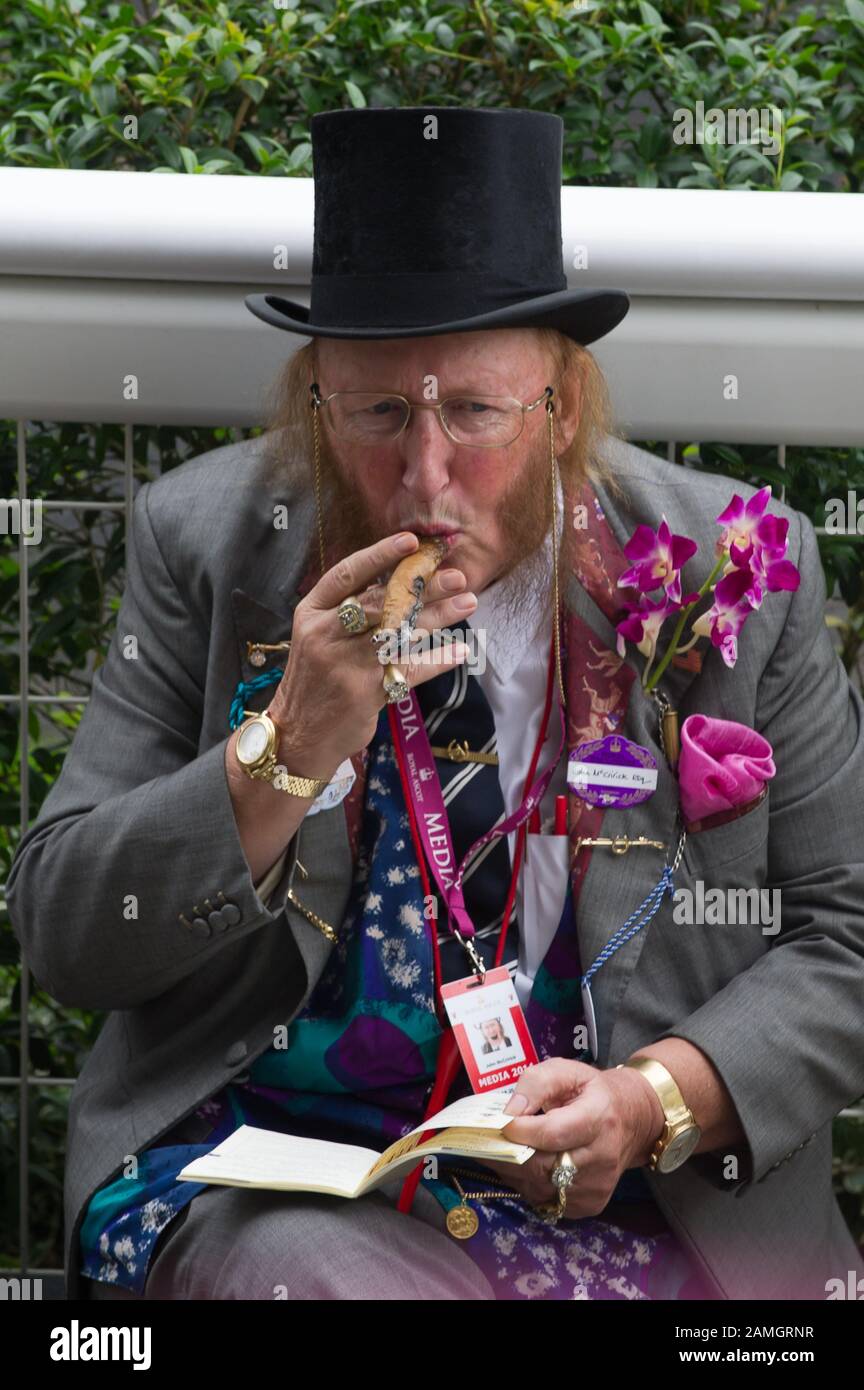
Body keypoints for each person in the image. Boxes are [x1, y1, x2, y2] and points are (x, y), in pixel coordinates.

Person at [7, 107, 864, 1302]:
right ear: (317, 404)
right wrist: (285, 747)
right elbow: (65, 932)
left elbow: (847, 932)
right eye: (376, 414)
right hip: (281, 1184)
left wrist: (659, 1094)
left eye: (473, 411)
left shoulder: (723, 574)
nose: (424, 475)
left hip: (642, 1195)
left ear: (561, 408)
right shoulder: (210, 544)